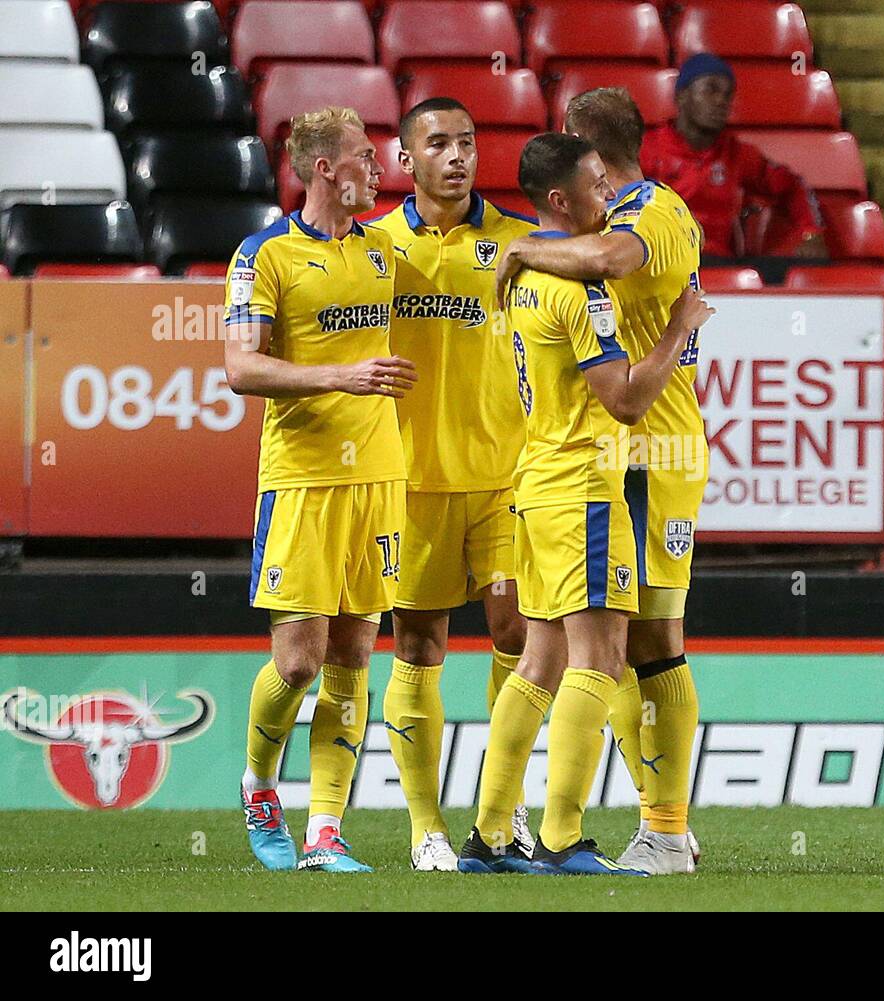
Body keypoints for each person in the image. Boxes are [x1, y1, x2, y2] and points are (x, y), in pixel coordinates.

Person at [458, 132, 714, 876]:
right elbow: (628, 399)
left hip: (534, 482)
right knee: (600, 661)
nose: (611, 202)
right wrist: (677, 328)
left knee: (536, 662)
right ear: (562, 200)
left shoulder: (524, 276)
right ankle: (562, 837)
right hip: (587, 486)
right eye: (597, 190)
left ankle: (489, 834)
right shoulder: (580, 287)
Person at [224, 106, 414, 874]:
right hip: (302, 478)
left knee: (354, 656)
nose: (380, 169)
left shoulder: (383, 250)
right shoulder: (262, 255)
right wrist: (341, 375)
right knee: (299, 661)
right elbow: (241, 368)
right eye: (366, 158)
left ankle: (326, 831)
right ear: (326, 169)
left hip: (379, 476)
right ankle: (260, 786)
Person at [369, 97, 538, 872]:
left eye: (467, 142)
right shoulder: (375, 248)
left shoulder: (522, 243)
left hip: (508, 474)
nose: (457, 156)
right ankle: (425, 825)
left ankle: (504, 812)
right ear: (407, 160)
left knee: (517, 631)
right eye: (438, 143)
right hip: (413, 480)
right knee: (420, 645)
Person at [640, 52, 826, 259]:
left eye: (727, 95)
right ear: (682, 96)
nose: (721, 101)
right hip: (659, 265)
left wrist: (811, 233)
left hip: (720, 268)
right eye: (711, 90)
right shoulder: (646, 150)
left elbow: (793, 186)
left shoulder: (739, 155)